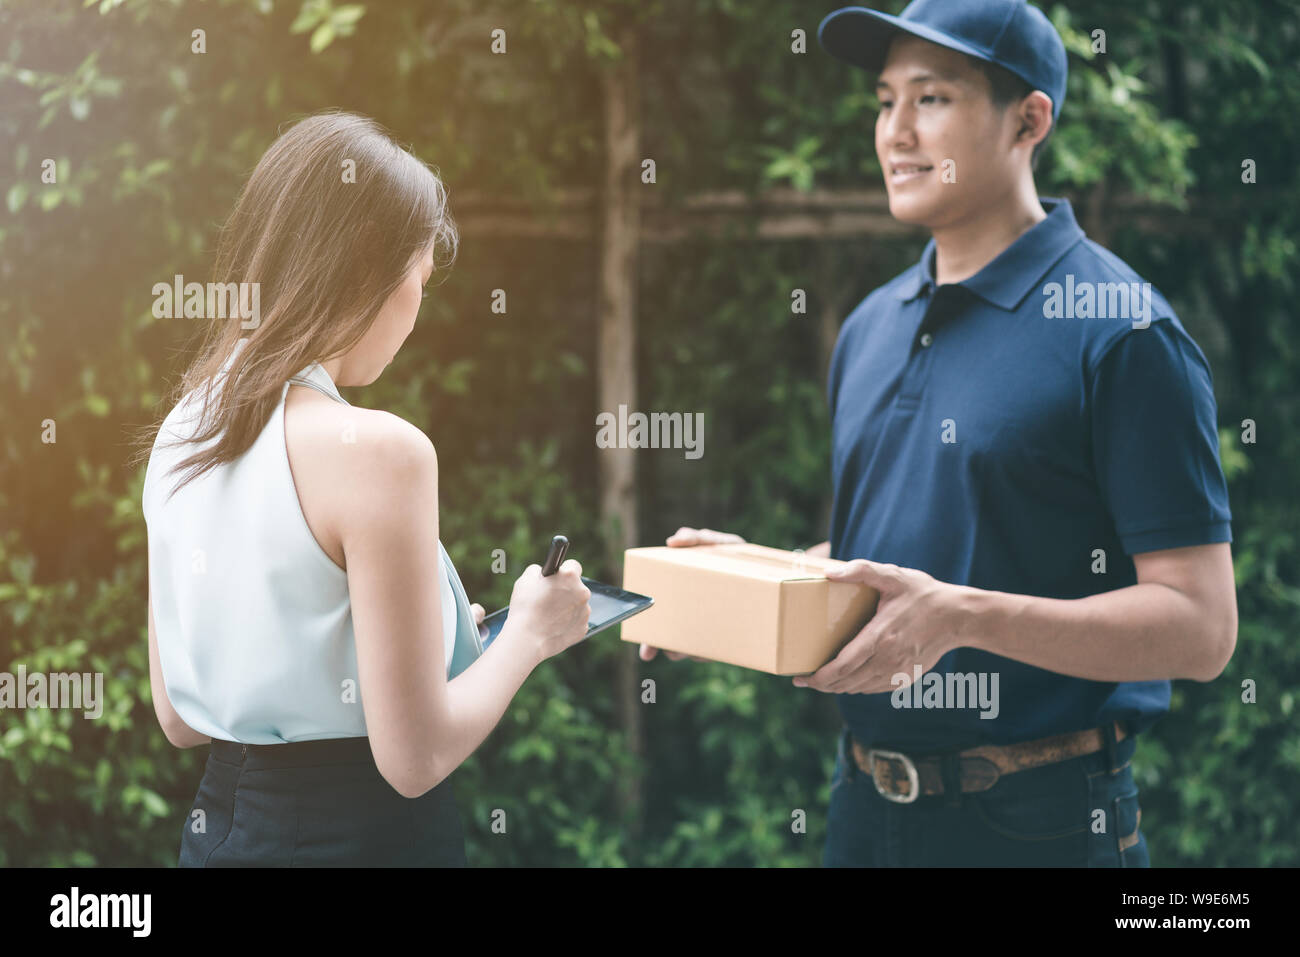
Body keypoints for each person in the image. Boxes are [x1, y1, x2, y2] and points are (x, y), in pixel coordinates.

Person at [641, 0, 1237, 867]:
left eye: (931, 99)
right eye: (885, 101)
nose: (895, 133)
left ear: (1029, 119)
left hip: (1041, 824)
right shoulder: (871, 324)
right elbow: (907, 557)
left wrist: (960, 618)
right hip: (863, 810)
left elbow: (1201, 626)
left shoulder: (1121, 330)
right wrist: (767, 575)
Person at [139, 110, 592, 867]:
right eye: (419, 277)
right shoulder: (383, 452)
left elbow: (180, 718)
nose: (418, 307)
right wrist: (530, 634)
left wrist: (427, 637)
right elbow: (413, 760)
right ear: (369, 273)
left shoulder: (182, 432)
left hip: (217, 835)